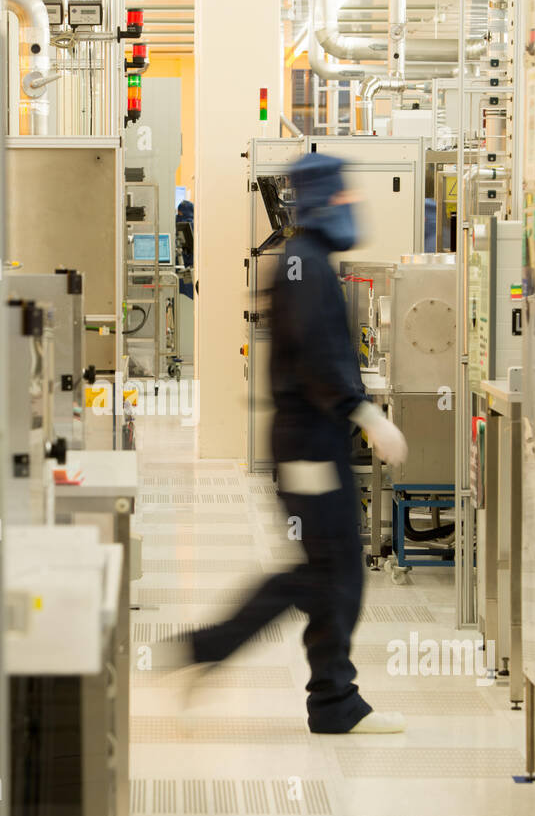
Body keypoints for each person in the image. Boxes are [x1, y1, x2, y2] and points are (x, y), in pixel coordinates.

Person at [175, 153, 409, 734]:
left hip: (309, 441)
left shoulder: (309, 260)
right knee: (327, 574)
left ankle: (325, 696)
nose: (352, 205)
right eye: (344, 195)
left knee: (329, 572)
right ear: (325, 199)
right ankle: (300, 687)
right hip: (309, 448)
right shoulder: (304, 264)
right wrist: (367, 416)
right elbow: (318, 356)